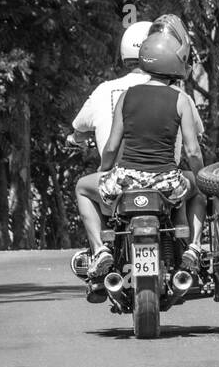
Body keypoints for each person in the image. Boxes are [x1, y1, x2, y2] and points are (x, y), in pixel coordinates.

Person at [71, 16, 202, 276]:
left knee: (81, 188)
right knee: (200, 189)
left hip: (125, 182)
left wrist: (106, 171)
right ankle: (195, 247)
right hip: (167, 183)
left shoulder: (125, 97)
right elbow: (192, 151)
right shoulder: (181, 100)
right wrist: (200, 177)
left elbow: (110, 147)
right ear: (176, 62)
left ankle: (100, 251)